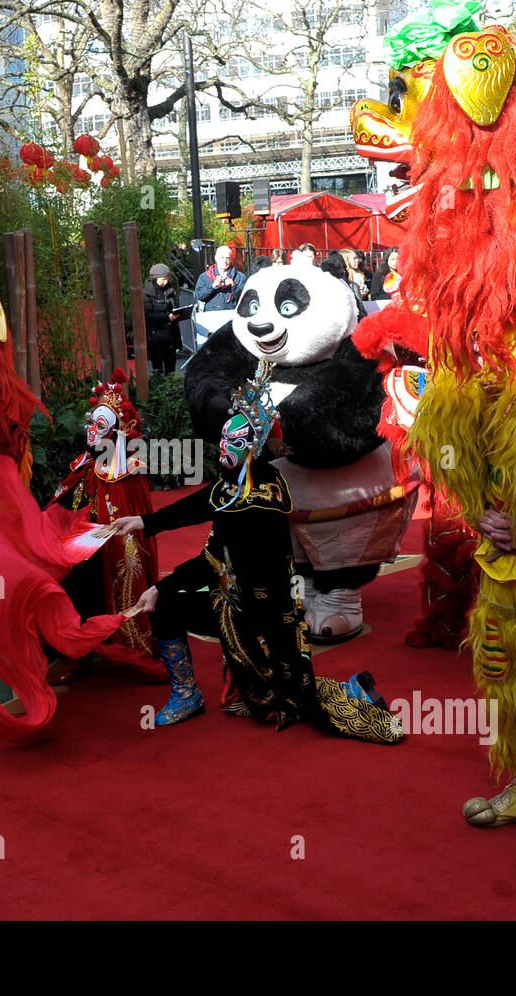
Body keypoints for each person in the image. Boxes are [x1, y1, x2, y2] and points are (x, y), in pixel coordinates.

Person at [109, 361, 401, 743]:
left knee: (292, 701)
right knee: (171, 608)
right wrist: (146, 523)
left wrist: (163, 587)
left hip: (263, 621)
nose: (222, 448)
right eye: (223, 439)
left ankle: (348, 692)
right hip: (237, 601)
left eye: (233, 442)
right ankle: (187, 695)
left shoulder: (256, 506)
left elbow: (212, 563)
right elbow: (203, 502)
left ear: (253, 446)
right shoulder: (252, 477)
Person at [143, 263, 182, 374]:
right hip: (156, 336)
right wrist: (166, 317)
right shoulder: (146, 293)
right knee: (157, 370)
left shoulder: (169, 290)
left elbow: (174, 306)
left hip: (171, 335)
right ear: (154, 278)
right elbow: (148, 315)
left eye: (167, 279)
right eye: (162, 279)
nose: (165, 282)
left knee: (171, 370)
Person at [193, 244, 247, 311]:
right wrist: (212, 287)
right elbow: (199, 296)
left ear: (231, 259)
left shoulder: (240, 277)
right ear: (216, 258)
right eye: (222, 257)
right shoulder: (205, 276)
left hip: (231, 316)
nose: (225, 261)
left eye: (228, 258)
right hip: (210, 316)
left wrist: (234, 286)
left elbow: (245, 298)